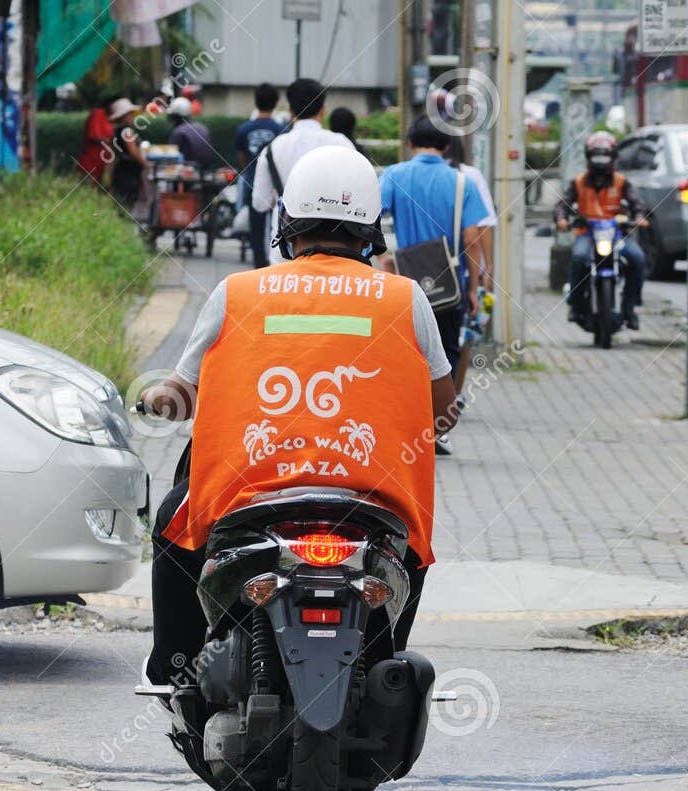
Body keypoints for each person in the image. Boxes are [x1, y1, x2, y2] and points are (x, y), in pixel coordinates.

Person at [138, 146, 459, 687]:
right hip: (374, 500)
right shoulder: (406, 299)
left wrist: (154, 399)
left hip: (247, 495)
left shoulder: (236, 292)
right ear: (370, 227)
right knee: (411, 552)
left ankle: (175, 669)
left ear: (287, 222)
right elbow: (443, 410)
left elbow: (182, 395)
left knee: (173, 520)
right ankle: (384, 660)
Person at [379, 116, 489, 456]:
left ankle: (403, 422)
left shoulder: (394, 175)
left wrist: (384, 259)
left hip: (405, 282)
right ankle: (438, 427)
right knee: (446, 350)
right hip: (449, 283)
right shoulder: (461, 183)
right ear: (446, 147)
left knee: (405, 351)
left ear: (410, 143)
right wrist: (473, 286)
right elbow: (471, 238)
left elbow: (370, 217)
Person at [251, 78, 355, 260]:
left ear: (291, 111)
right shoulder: (342, 144)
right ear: (322, 110)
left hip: (285, 248)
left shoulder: (273, 148)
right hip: (336, 247)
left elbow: (260, 203)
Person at [554, 131, 648, 330]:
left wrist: (639, 216)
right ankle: (575, 304)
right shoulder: (578, 182)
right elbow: (562, 204)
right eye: (597, 156)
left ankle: (630, 306)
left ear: (613, 158)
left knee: (638, 258)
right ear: (589, 157)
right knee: (578, 258)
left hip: (617, 234)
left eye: (604, 157)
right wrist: (561, 219)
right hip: (587, 233)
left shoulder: (621, 181)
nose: (601, 162)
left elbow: (636, 202)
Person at [444, 135, 498, 392]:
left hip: (425, 269)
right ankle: (454, 394)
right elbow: (481, 228)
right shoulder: (470, 175)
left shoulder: (416, 173)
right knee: (464, 335)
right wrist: (487, 269)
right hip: (465, 271)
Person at [235, 84, 283, 269]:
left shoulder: (243, 130)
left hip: (252, 182)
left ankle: (259, 266)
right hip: (276, 185)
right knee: (276, 227)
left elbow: (241, 159)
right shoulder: (281, 130)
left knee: (255, 228)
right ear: (276, 103)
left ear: (256, 102)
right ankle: (274, 263)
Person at [105, 97, 148, 221]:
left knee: (120, 206)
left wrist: (109, 177)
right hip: (128, 175)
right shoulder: (127, 132)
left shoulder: (116, 132)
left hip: (120, 173)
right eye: (130, 114)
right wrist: (146, 164)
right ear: (124, 116)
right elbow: (133, 152)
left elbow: (112, 157)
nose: (132, 116)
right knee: (127, 205)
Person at [166, 96, 218, 168]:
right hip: (208, 170)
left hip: (187, 170)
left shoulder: (178, 132)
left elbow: (171, 157)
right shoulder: (202, 128)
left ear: (177, 116)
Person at [77, 97, 115, 187]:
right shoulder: (98, 113)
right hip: (92, 160)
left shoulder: (108, 117)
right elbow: (94, 136)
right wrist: (111, 142)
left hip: (102, 162)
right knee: (88, 187)